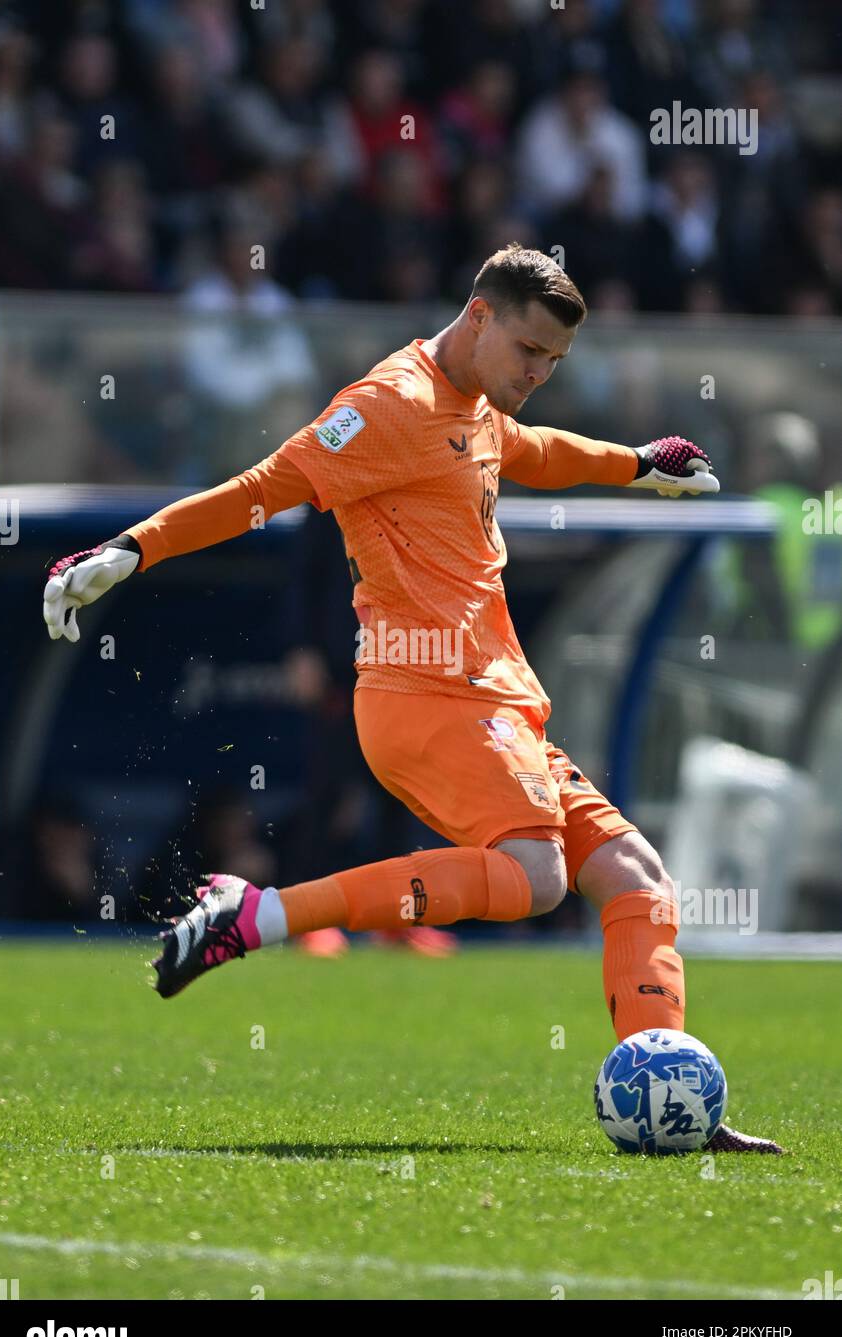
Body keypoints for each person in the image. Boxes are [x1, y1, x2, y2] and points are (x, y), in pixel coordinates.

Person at [42, 243, 778, 1154]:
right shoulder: (385, 406)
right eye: (529, 354)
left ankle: (665, 1094)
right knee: (538, 879)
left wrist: (635, 464)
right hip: (423, 692)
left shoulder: (476, 403)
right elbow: (262, 488)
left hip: (497, 698)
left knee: (639, 885)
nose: (540, 375)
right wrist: (129, 549)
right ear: (479, 317)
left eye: (555, 362)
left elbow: (534, 452)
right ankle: (259, 916)